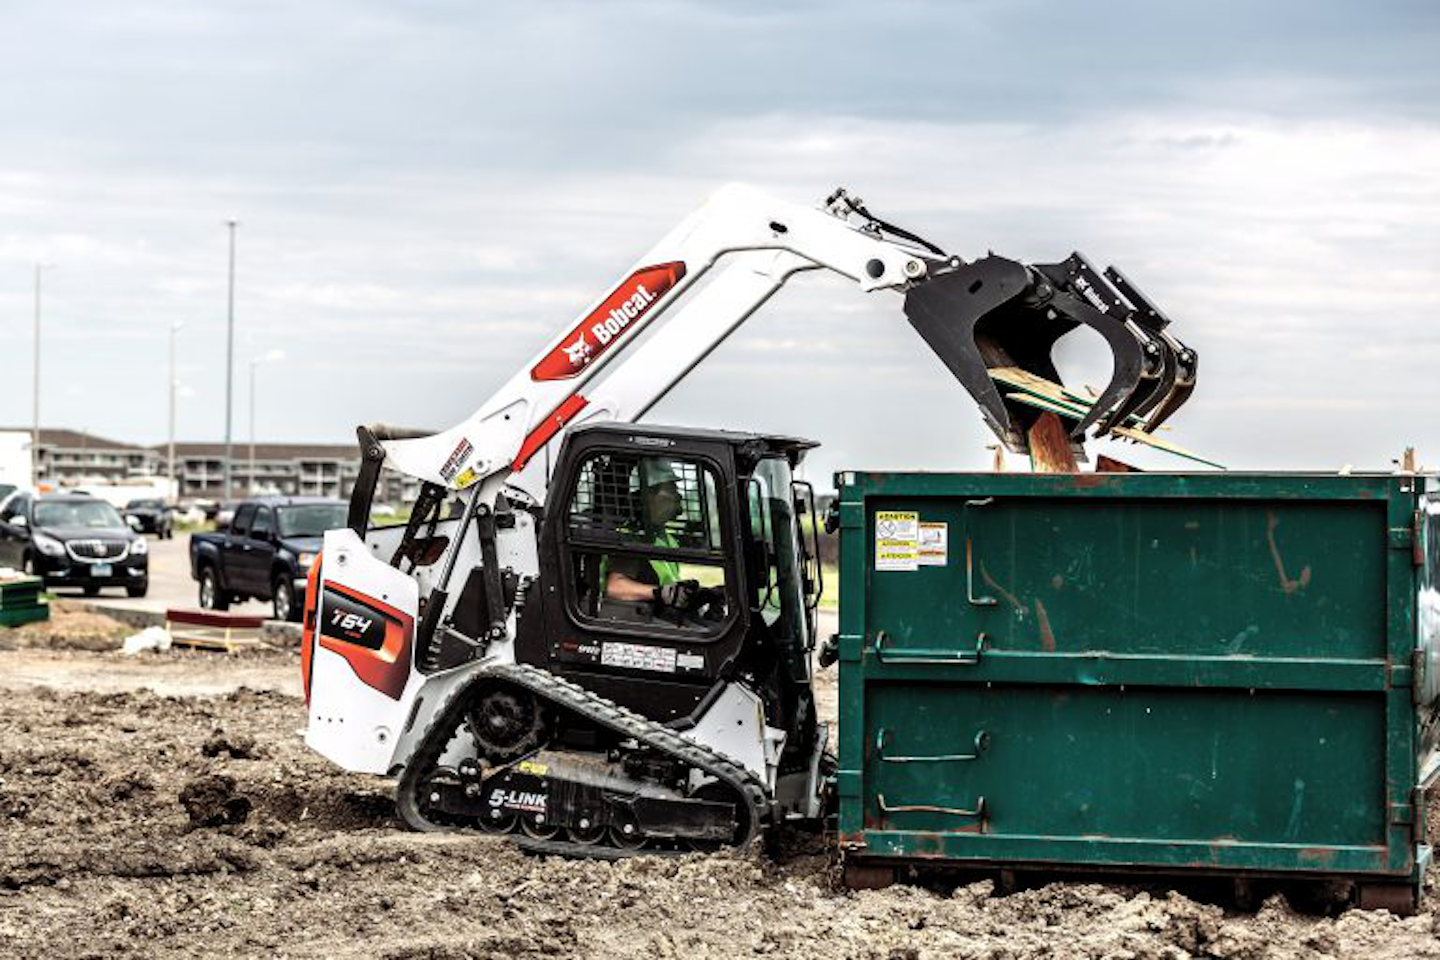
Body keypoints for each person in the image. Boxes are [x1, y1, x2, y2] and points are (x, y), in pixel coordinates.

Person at [602, 458, 704, 612]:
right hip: (641, 621)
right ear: (649, 496)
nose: (679, 496)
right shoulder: (633, 538)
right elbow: (614, 587)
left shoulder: (664, 537)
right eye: (672, 489)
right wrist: (659, 593)